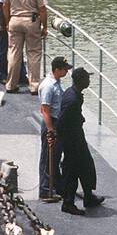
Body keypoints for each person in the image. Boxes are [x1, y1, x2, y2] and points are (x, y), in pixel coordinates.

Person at [58, 67, 104, 215]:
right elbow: (62, 120)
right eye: (87, 78)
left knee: (86, 165)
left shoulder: (75, 95)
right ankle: (68, 203)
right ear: (81, 80)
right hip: (72, 139)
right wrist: (62, 139)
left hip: (77, 136)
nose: (89, 80)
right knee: (71, 171)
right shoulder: (72, 99)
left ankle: (88, 196)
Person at [4, 0, 47, 94]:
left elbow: (5, 5)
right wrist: (44, 27)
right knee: (33, 53)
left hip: (14, 20)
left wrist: (7, 22)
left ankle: (11, 84)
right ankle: (34, 86)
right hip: (31, 21)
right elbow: (42, 9)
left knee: (13, 52)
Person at [37, 57, 67, 202]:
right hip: (51, 123)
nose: (67, 71)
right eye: (64, 68)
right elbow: (45, 110)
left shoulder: (57, 83)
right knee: (47, 157)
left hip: (57, 122)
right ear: (57, 69)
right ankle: (44, 189)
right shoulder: (48, 86)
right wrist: (50, 130)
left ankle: (54, 185)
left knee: (55, 157)